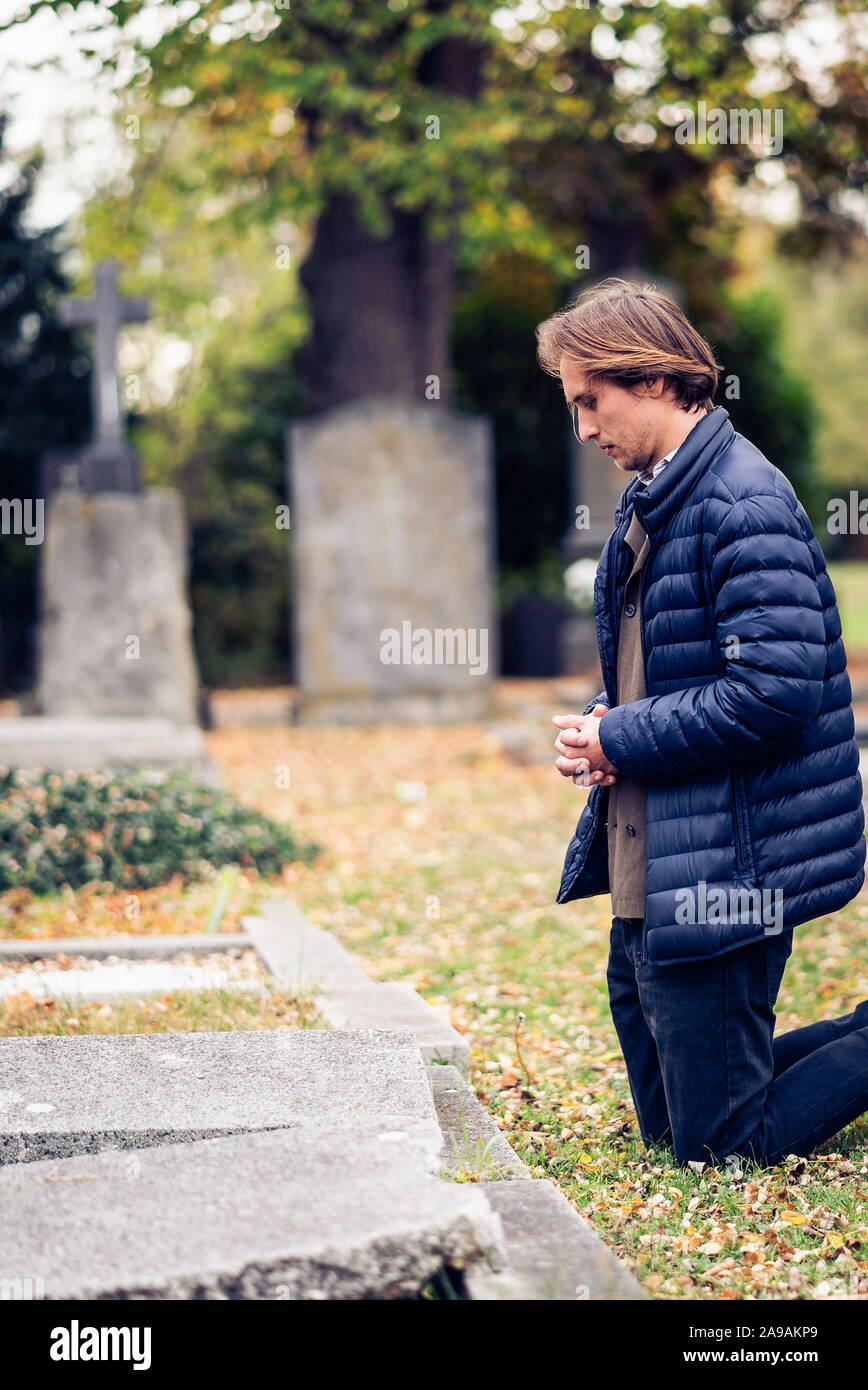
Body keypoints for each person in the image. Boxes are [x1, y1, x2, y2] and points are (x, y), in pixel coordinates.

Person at [536, 277, 867, 1168]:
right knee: (671, 1129)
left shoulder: (741, 502)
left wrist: (622, 737)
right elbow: (680, 672)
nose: (583, 428)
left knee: (719, 1149)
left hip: (731, 862)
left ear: (649, 377)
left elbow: (773, 691)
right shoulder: (660, 498)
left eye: (589, 401)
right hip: (663, 851)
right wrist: (609, 727)